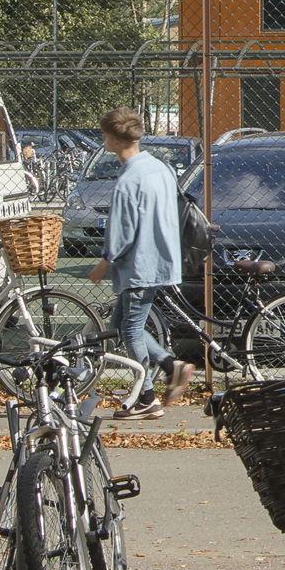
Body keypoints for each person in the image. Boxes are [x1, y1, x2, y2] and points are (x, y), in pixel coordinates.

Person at [100, 108, 181, 416]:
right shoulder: (159, 168)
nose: (104, 140)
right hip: (161, 258)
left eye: (106, 135)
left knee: (131, 328)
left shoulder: (128, 180)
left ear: (116, 140)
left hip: (139, 265)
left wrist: (105, 261)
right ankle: (169, 364)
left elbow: (121, 233)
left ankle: (146, 397)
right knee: (120, 324)